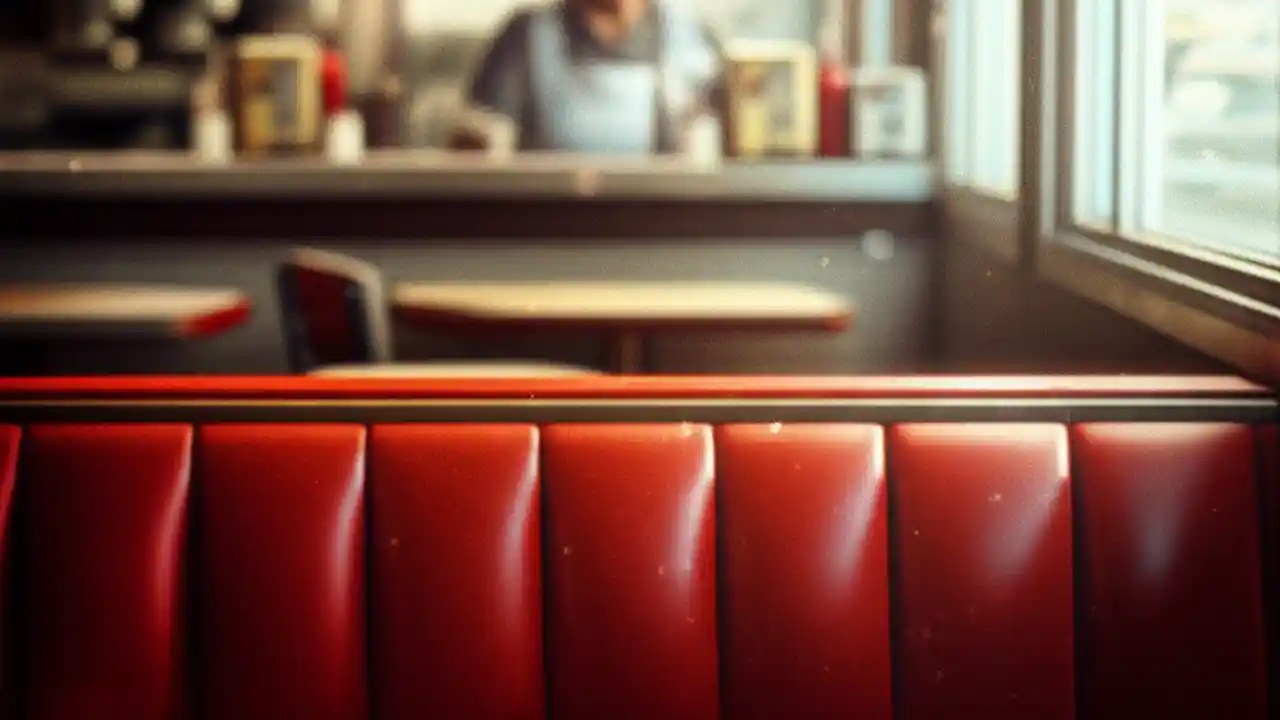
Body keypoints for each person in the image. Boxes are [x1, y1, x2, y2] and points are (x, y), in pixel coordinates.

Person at [463, 0, 722, 154]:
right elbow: (481, 150)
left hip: (660, 231)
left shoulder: (693, 40)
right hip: (547, 230)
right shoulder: (526, 36)